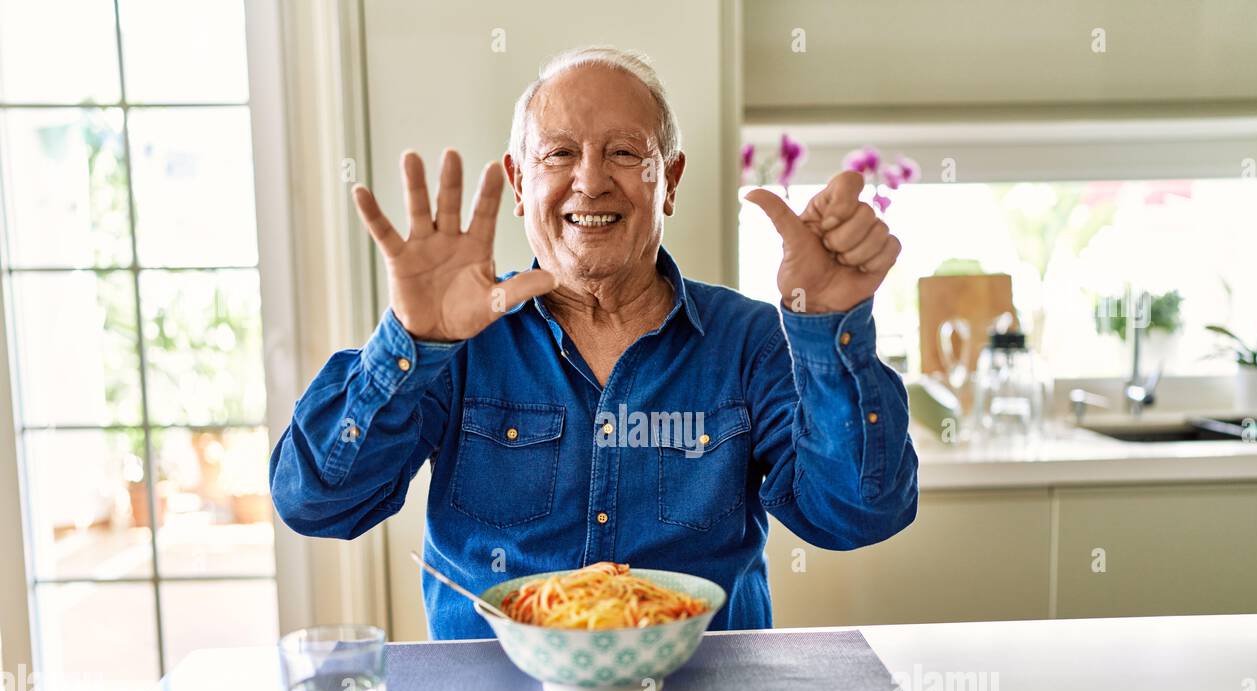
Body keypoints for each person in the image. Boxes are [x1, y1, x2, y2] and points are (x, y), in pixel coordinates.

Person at [270, 46, 917, 639]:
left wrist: (831, 327)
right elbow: (316, 502)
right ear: (519, 183)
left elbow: (858, 514)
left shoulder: (750, 341)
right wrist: (410, 344)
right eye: (558, 154)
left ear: (670, 181)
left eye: (624, 153)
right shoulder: (456, 338)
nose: (590, 180)